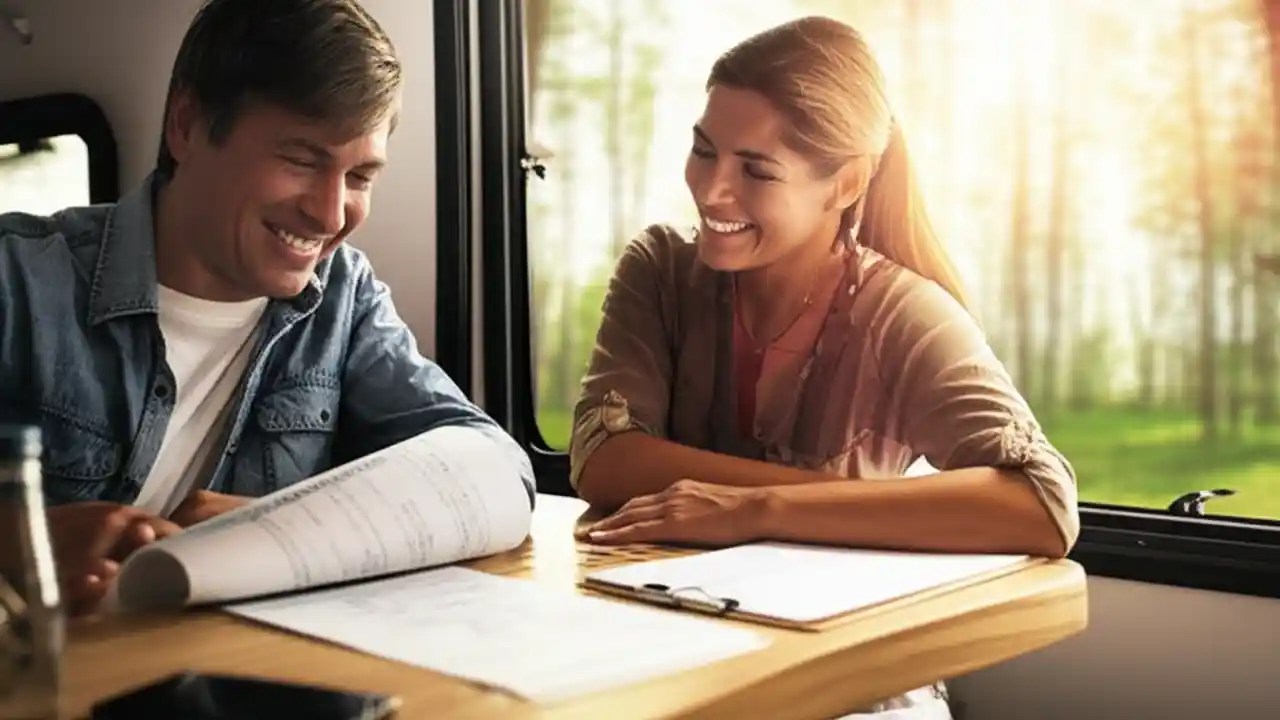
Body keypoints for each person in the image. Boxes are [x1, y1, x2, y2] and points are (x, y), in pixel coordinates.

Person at [570, 17, 1078, 717]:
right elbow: (605, 459)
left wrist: (758, 509)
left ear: (844, 184)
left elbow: (1043, 506)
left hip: (855, 682)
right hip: (673, 653)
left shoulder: (903, 314)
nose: (712, 190)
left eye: (755, 170)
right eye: (703, 150)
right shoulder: (658, 270)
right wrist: (811, 500)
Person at [0, 0, 533, 617]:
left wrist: (291, 526)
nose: (332, 216)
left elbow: (494, 468)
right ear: (187, 125)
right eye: (302, 160)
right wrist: (18, 544)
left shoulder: (343, 299)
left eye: (360, 177)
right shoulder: (19, 278)